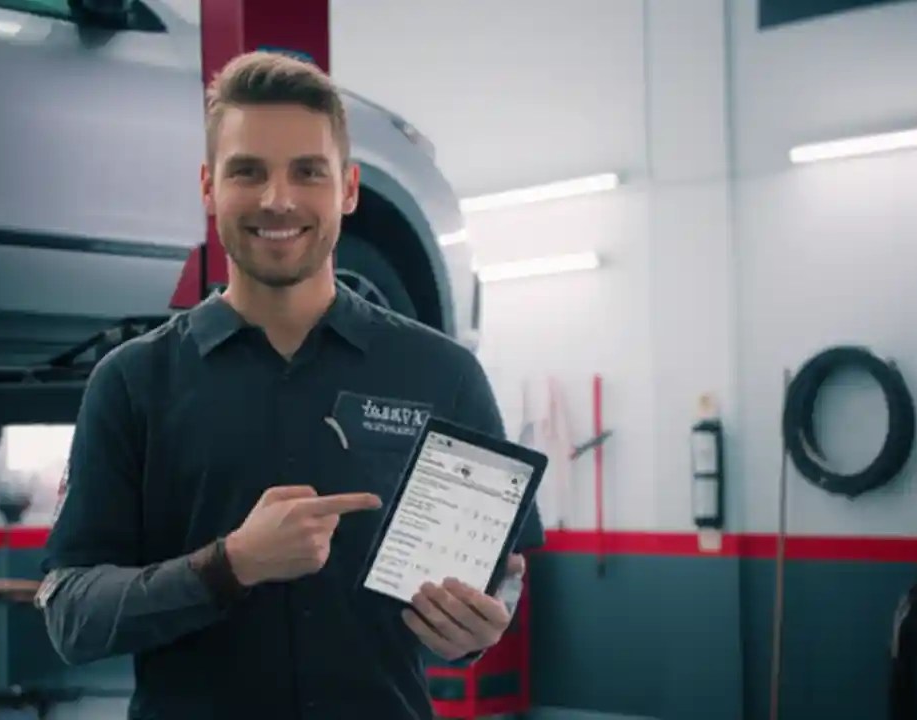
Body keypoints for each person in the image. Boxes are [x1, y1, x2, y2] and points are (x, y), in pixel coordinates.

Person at [36, 50, 545, 720]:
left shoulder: (442, 375)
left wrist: (485, 623)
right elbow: (71, 615)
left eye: (308, 172)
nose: (278, 199)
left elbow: (502, 577)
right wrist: (228, 566)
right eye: (248, 171)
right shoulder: (133, 383)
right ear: (209, 187)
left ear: (349, 188)